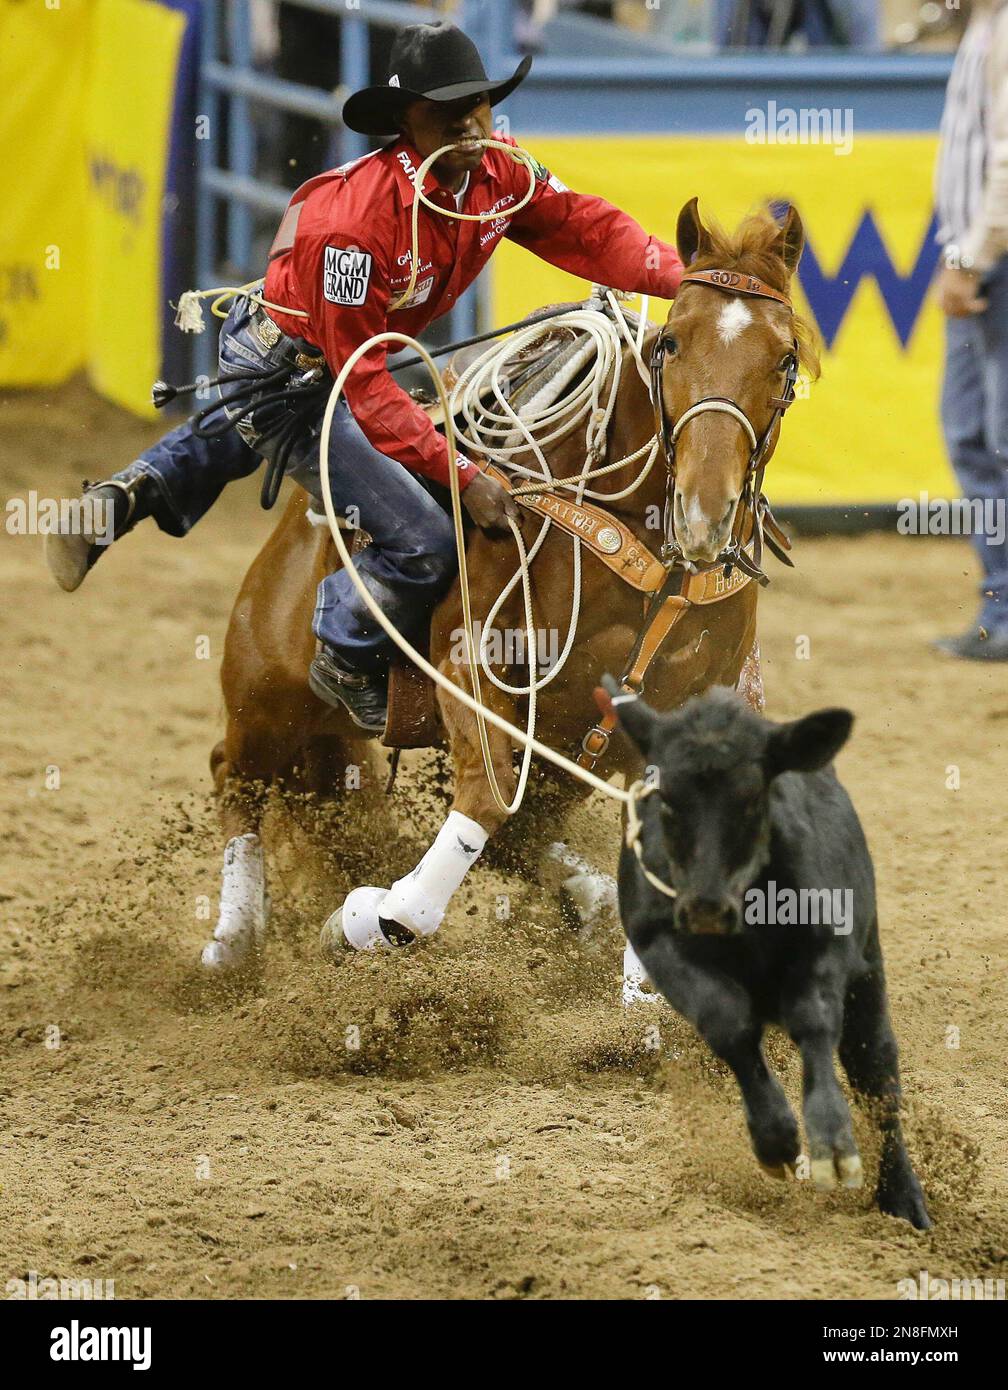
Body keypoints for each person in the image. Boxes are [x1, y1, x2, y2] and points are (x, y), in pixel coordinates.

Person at [46, 21, 684, 729]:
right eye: (447, 109)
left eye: (478, 102)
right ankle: (345, 646)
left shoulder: (500, 173)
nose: (469, 121)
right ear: (407, 122)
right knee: (423, 537)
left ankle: (121, 500)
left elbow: (586, 229)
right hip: (296, 370)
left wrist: (689, 280)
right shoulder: (352, 226)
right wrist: (462, 477)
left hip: (329, 357)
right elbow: (365, 389)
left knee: (263, 420)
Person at [933, 0, 1008, 661]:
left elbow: (1007, 164)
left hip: (994, 263)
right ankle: (1002, 602)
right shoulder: (984, 25)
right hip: (980, 259)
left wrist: (969, 257)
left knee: (995, 439)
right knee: (973, 434)